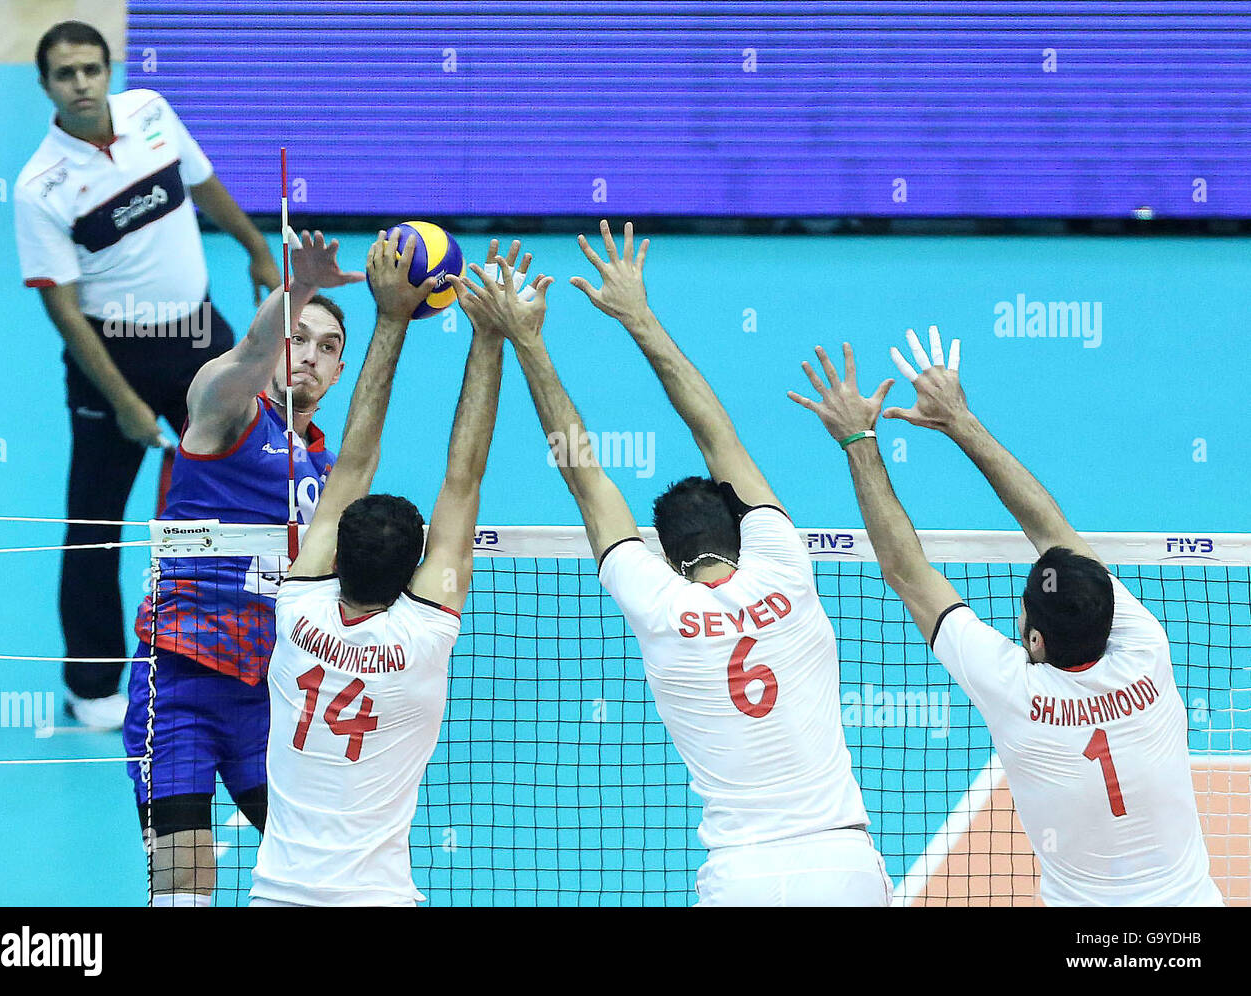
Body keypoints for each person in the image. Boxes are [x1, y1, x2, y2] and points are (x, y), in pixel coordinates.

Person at [501, 220, 889, 906]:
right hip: (842, 863)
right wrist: (637, 315)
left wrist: (528, 341)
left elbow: (584, 474)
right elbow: (716, 433)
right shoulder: (782, 565)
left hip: (740, 876)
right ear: (744, 533)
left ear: (670, 559)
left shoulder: (657, 602)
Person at [788, 326, 1223, 906]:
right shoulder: (1146, 648)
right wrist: (962, 421)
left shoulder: (1011, 685)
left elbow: (908, 573)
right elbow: (1052, 529)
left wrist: (859, 439)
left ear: (1035, 637)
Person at [249, 240, 538, 906]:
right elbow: (463, 481)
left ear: (331, 555)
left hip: (276, 896)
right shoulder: (420, 637)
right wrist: (489, 339)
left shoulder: (296, 613)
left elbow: (351, 465)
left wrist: (389, 319)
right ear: (417, 567)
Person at [13, 21, 280, 728]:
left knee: (250, 492)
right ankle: (94, 684)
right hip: (115, 355)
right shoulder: (41, 187)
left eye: (91, 69)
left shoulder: (151, 112)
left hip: (201, 338)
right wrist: (128, 403)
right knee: (95, 522)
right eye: (65, 73)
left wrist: (256, 249)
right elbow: (65, 313)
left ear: (109, 71)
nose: (81, 84)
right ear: (45, 85)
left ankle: (258, 645)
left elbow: (203, 183)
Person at [124, 229, 366, 906]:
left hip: (268, 699)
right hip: (177, 687)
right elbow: (257, 351)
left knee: (328, 874)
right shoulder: (223, 412)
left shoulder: (328, 468)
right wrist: (299, 289)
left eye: (328, 348)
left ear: (339, 373)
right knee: (184, 889)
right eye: (301, 337)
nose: (309, 356)